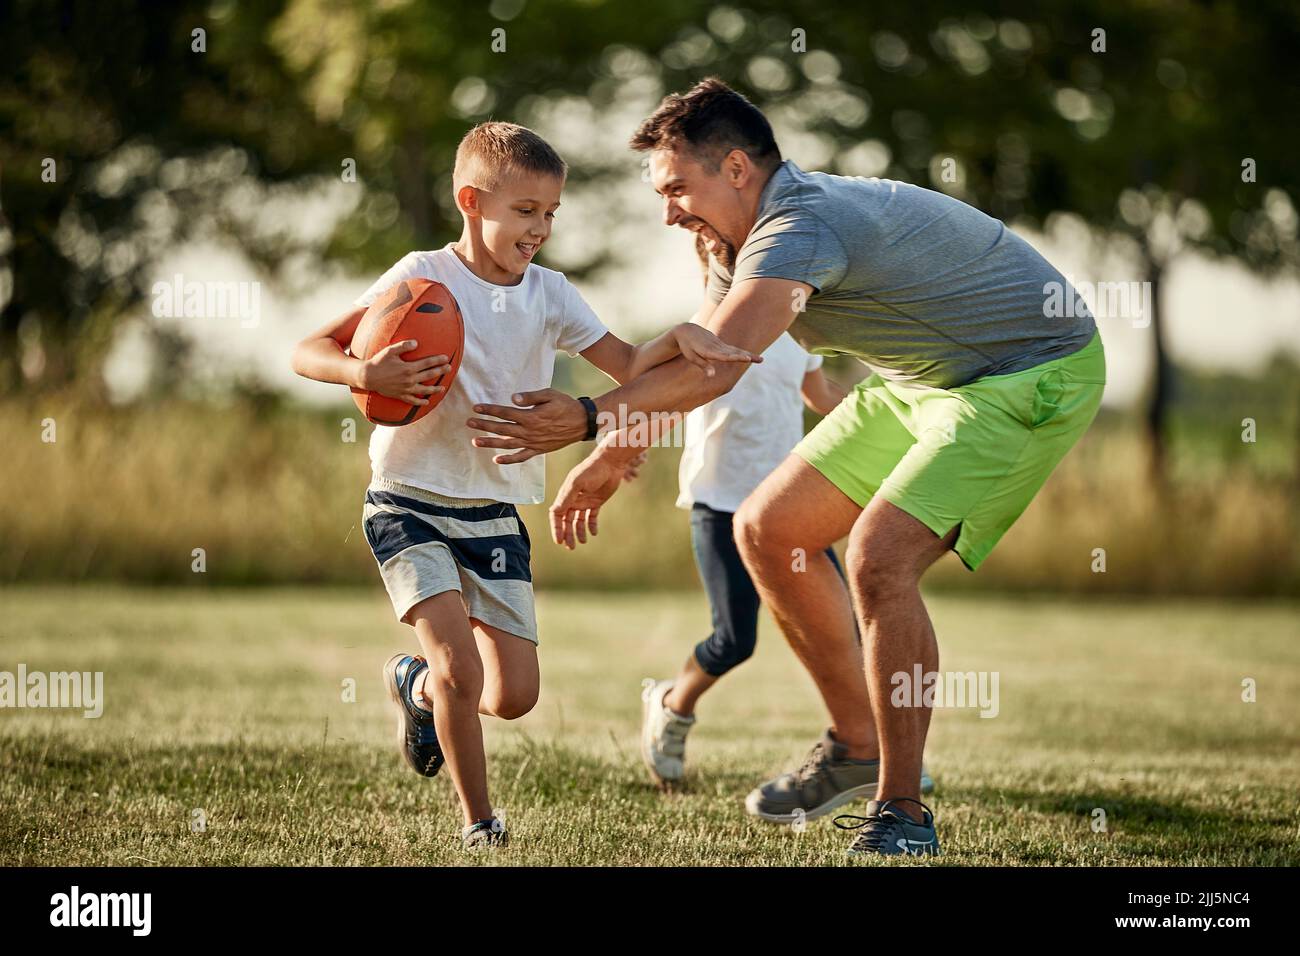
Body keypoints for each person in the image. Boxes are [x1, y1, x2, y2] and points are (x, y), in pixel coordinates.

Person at [466, 80, 1106, 857]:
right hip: (925, 381)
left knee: (879, 555)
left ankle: (902, 810)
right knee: (770, 529)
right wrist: (612, 453)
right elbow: (699, 350)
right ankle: (855, 746)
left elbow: (718, 369)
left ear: (736, 168)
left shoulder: (798, 227)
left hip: (1031, 371)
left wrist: (591, 419)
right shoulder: (730, 245)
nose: (667, 211)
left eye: (676, 188)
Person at [291, 121, 759, 850]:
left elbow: (629, 364)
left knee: (513, 697)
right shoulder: (421, 277)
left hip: (495, 510)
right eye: (526, 211)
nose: (540, 228)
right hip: (408, 498)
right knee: (460, 670)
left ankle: (410, 688)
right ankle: (481, 822)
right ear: (472, 201)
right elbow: (309, 348)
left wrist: (681, 336)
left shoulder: (550, 293)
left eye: (550, 213)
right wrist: (362, 373)